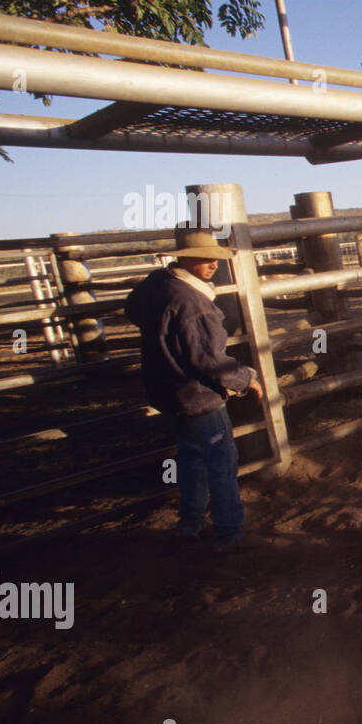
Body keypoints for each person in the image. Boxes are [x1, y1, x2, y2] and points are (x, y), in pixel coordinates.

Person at [125, 224, 261, 552]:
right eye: (202, 259)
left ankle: (190, 522)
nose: (212, 264)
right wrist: (246, 379)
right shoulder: (193, 303)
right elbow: (208, 361)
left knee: (190, 456)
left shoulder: (158, 284)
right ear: (184, 261)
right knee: (221, 461)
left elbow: (132, 308)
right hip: (197, 396)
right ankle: (228, 533)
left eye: (213, 258)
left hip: (167, 389)